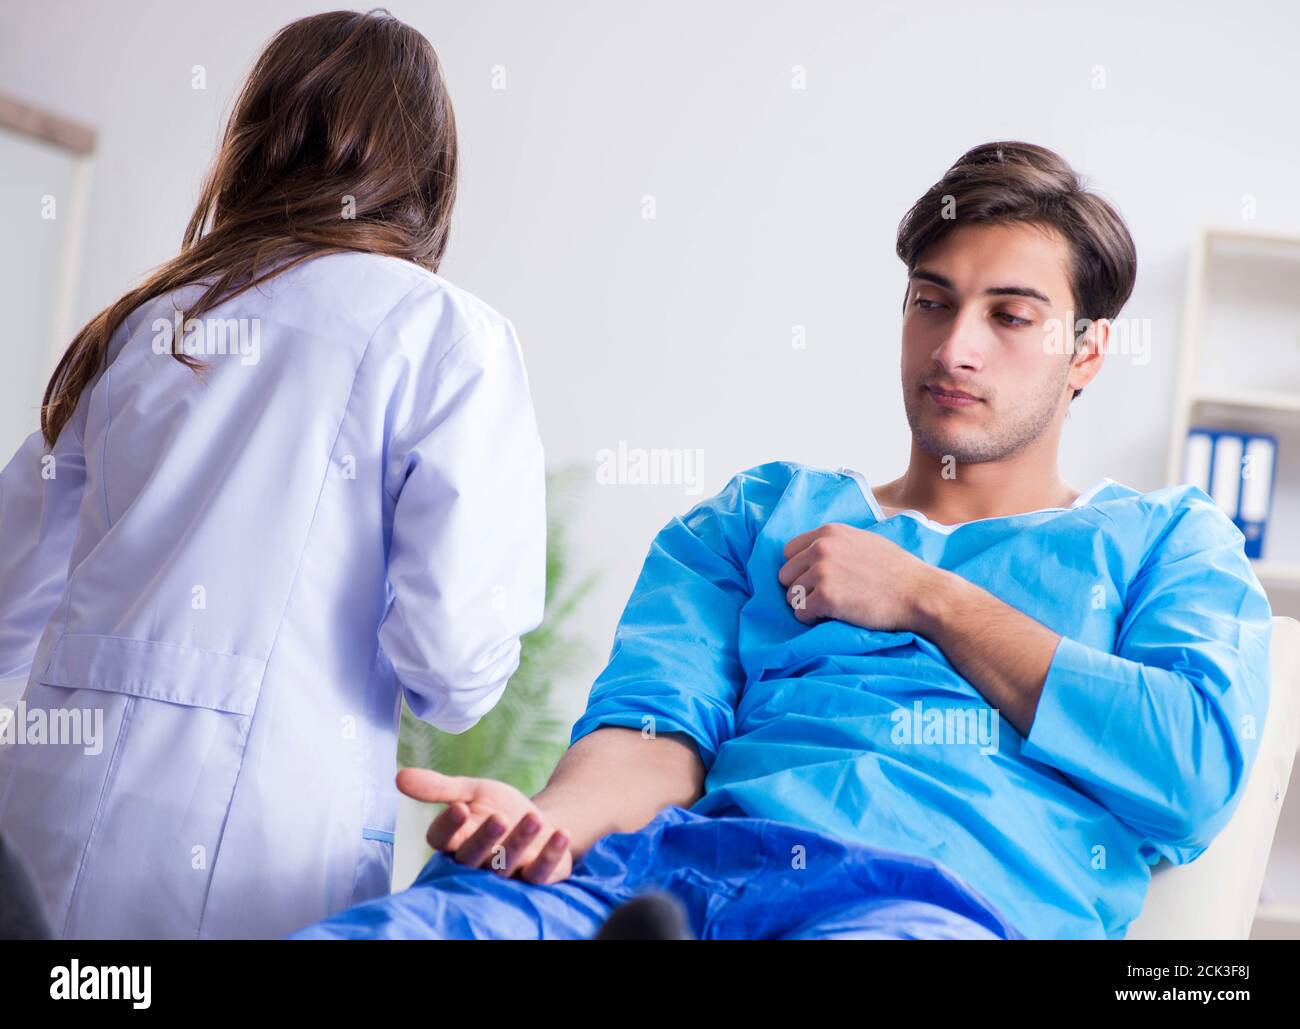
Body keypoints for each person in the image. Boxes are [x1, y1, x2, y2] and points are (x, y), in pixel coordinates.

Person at [294, 141, 1271, 941]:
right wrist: (548, 828)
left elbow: (1186, 777)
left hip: (924, 911)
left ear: (1087, 352)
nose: (953, 347)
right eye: (931, 301)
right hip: (661, 882)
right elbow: (651, 736)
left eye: (1008, 316)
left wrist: (928, 597)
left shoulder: (1168, 544)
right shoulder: (760, 514)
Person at [0, 10, 545, 939]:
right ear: (429, 177)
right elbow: (453, 673)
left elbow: (10, 593)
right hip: (265, 847)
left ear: (254, 145)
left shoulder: (142, 322)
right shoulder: (445, 336)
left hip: (45, 813)